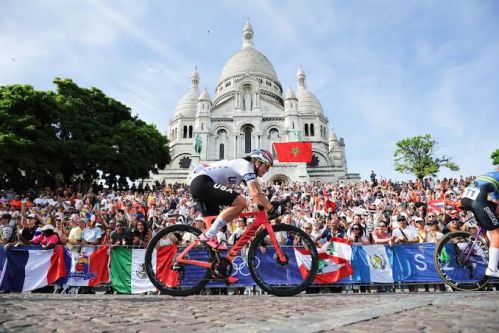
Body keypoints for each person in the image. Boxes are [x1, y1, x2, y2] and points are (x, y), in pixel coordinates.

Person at [189, 148, 274, 251]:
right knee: (241, 203)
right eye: (267, 166)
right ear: (257, 162)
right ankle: (208, 236)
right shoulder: (246, 165)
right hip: (202, 183)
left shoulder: (245, 169)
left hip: (201, 184)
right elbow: (255, 193)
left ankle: (214, 261)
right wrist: (272, 208)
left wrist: (263, 205)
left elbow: (256, 193)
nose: (267, 170)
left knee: (213, 224)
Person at [460, 169, 499, 278]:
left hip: (466, 198)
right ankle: (492, 268)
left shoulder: (491, 173)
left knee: (492, 224)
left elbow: (496, 205)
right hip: (477, 200)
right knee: (497, 233)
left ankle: (492, 247)